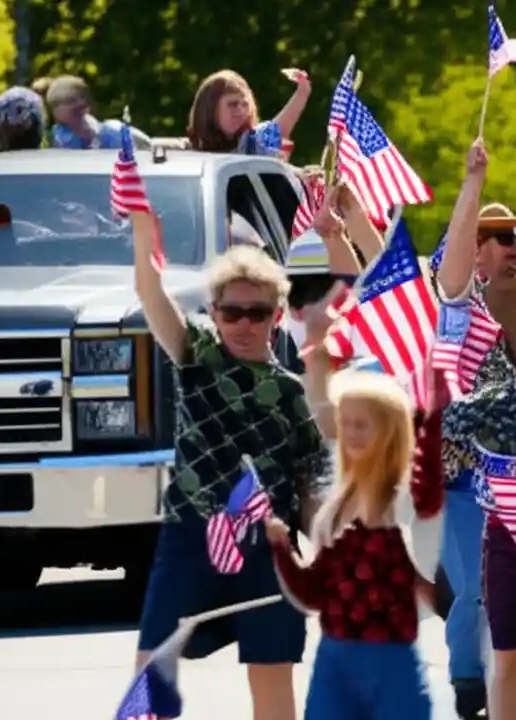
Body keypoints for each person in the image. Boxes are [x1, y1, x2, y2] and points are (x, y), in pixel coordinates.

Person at [129, 208, 327, 720]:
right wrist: (141, 230)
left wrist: (322, 552)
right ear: (213, 313)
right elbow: (152, 296)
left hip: (268, 544)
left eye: (256, 313)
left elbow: (310, 485)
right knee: (152, 674)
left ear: (277, 316)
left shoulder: (292, 392)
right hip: (190, 534)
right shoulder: (196, 354)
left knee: (272, 682)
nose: (242, 324)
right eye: (230, 312)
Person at [435, 137, 516, 720]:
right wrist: (472, 184)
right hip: (495, 509)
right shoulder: (465, 317)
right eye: (502, 239)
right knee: (507, 650)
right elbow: (452, 276)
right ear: (477, 251)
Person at [265, 369, 435, 720]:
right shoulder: (337, 506)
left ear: (390, 432)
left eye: (363, 424)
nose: (351, 433)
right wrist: (282, 548)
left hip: (391, 660)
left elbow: (427, 579)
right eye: (346, 423)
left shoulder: (403, 501)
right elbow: (313, 593)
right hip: (335, 657)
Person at [187, 69, 312, 155]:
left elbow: (278, 131)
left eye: (245, 104)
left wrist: (303, 91)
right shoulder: (183, 153)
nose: (241, 111)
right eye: (233, 104)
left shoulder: (249, 145)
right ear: (210, 108)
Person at [32, 75, 151, 150]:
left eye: (80, 98)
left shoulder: (114, 130)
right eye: (69, 101)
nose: (78, 104)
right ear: (54, 110)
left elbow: (150, 146)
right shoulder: (52, 142)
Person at [0, 87, 46, 152]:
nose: (16, 131)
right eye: (12, 127)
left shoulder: (35, 108)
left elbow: (40, 133)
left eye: (19, 126)